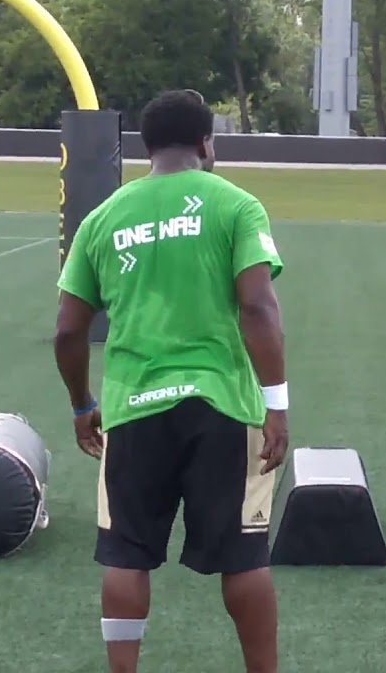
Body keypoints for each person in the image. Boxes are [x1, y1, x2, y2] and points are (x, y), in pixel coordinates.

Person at [53, 88, 290, 673]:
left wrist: (82, 403)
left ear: (145, 147)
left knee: (126, 555)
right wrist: (276, 406)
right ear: (208, 143)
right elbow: (258, 308)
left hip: (133, 407)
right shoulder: (237, 205)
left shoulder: (103, 218)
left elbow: (67, 331)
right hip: (223, 407)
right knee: (244, 556)